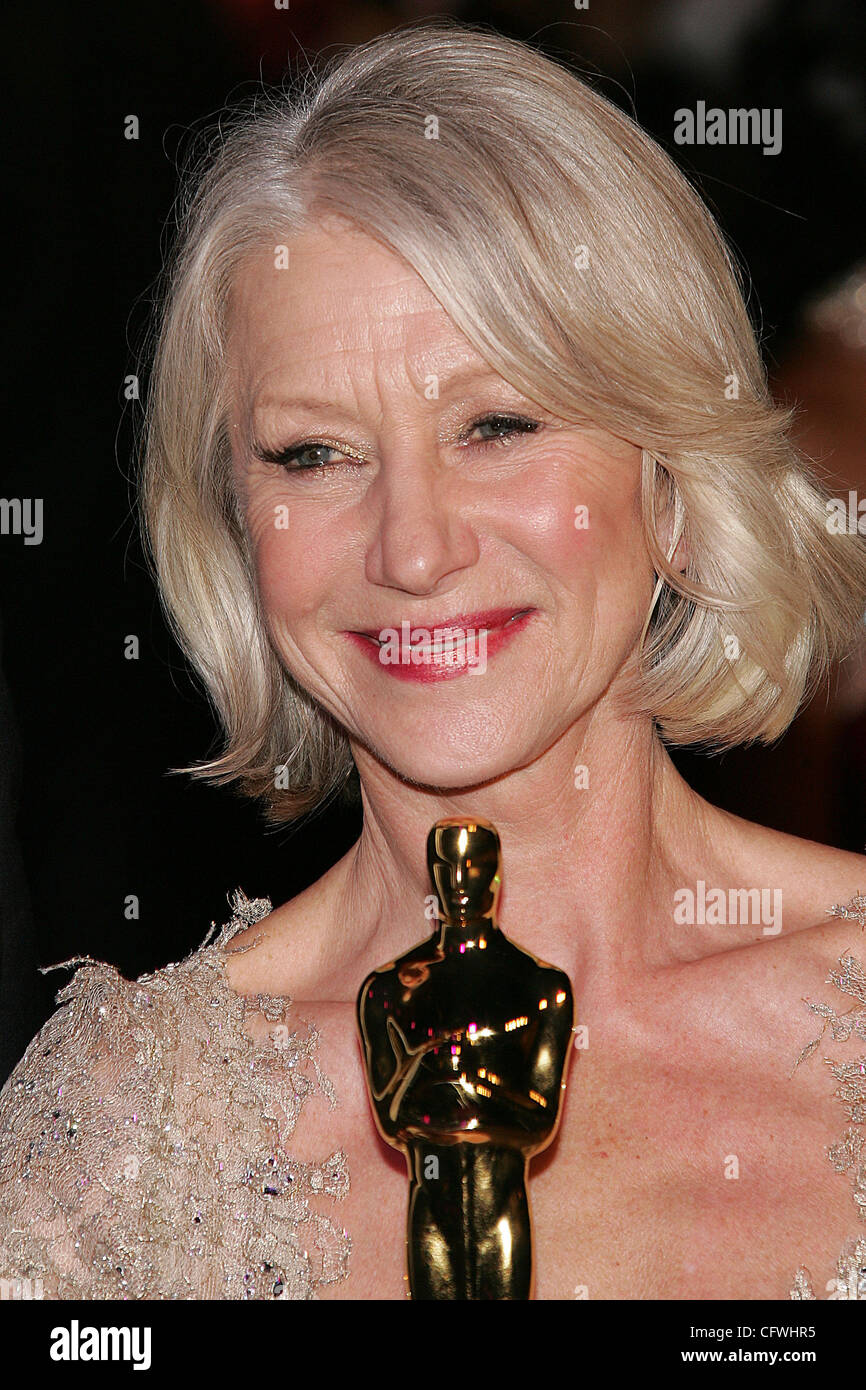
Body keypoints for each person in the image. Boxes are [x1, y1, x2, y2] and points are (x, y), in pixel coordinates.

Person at [2, 18, 866, 1302]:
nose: (410, 549)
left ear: (671, 480)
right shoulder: (119, 1138)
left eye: (496, 424)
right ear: (236, 529)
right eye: (313, 454)